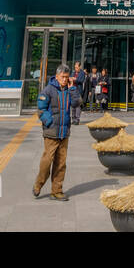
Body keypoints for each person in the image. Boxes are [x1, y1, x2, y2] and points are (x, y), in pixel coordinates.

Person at [32, 64, 81, 201]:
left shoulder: (69, 90)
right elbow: (41, 110)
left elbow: (77, 103)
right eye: (62, 77)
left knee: (61, 163)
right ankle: (38, 184)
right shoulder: (48, 90)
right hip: (51, 132)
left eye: (67, 77)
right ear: (57, 76)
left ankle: (57, 191)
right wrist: (50, 122)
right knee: (47, 161)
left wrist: (73, 89)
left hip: (64, 133)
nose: (65, 79)